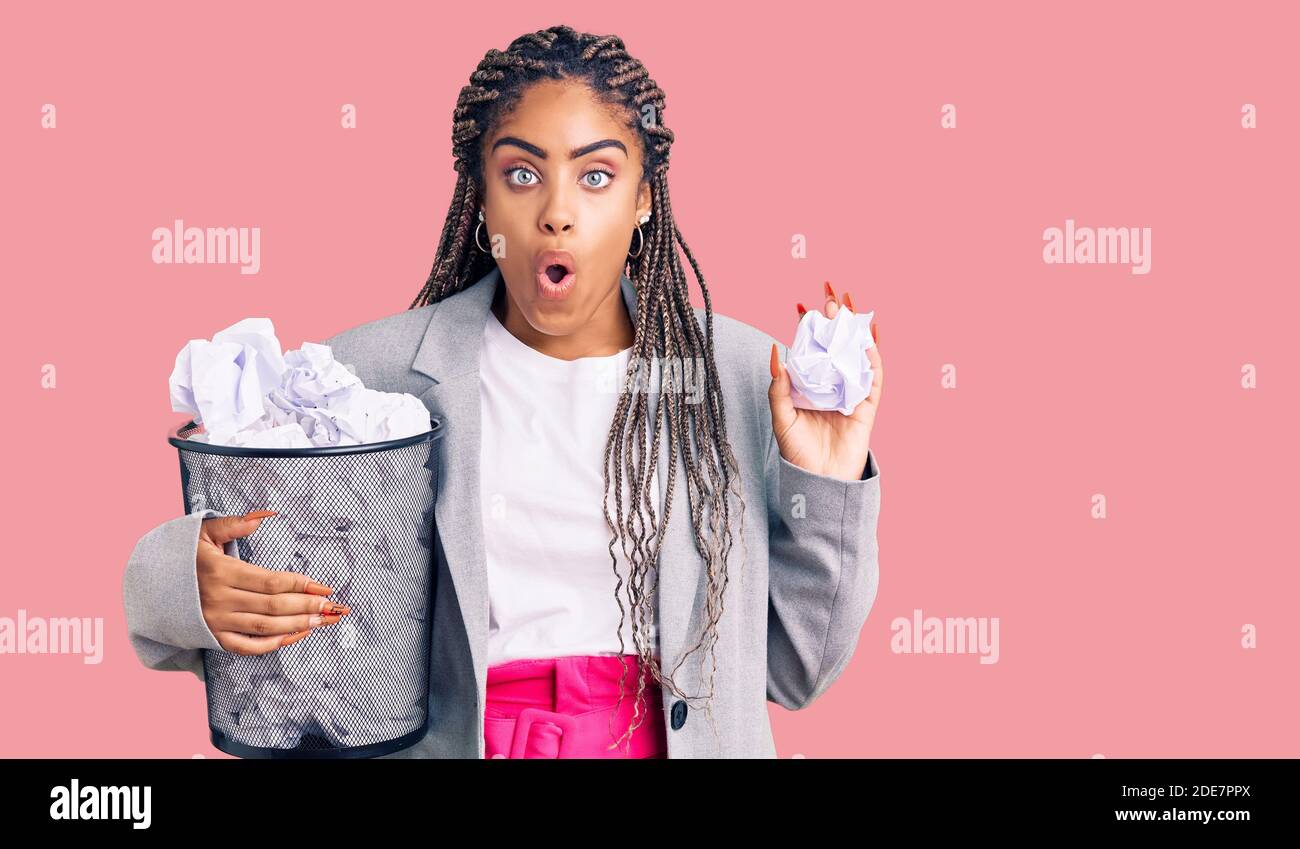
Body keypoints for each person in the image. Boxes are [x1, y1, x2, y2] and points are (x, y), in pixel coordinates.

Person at [122, 24, 885, 759]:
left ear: (643, 198)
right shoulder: (369, 377)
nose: (556, 211)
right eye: (522, 174)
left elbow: (795, 671)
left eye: (596, 175)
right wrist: (184, 580)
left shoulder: (746, 377)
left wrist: (830, 479)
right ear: (482, 199)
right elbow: (286, 645)